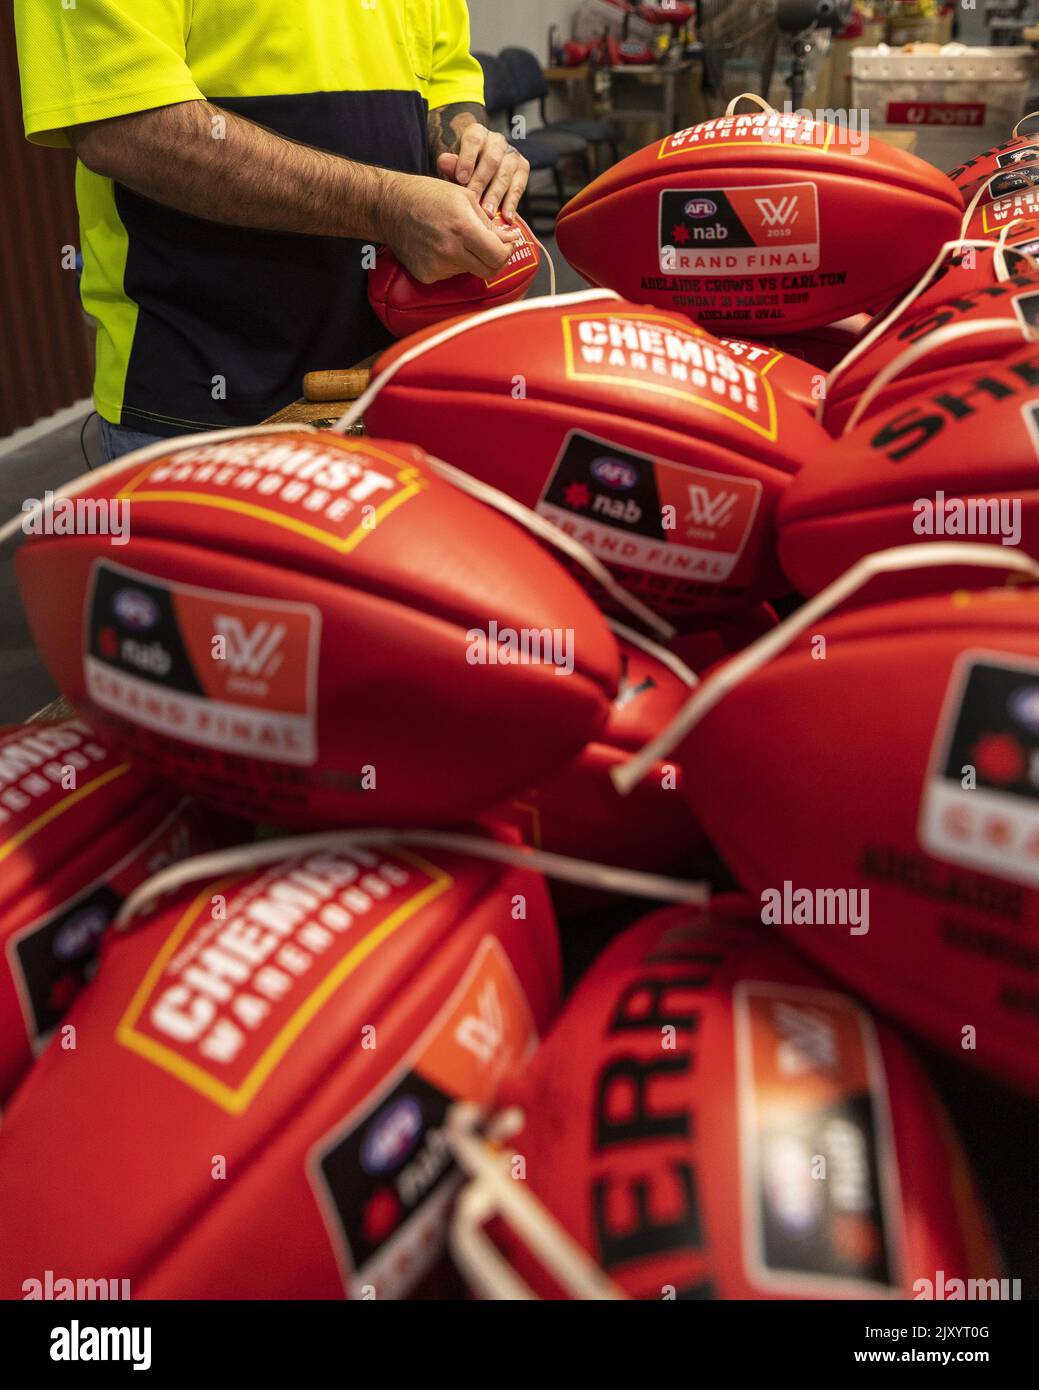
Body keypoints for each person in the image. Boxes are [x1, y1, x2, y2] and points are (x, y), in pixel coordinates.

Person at [14, 0, 530, 459]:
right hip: (207, 395)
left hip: (394, 372)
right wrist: (386, 204)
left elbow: (444, 78)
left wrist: (471, 143)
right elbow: (126, 127)